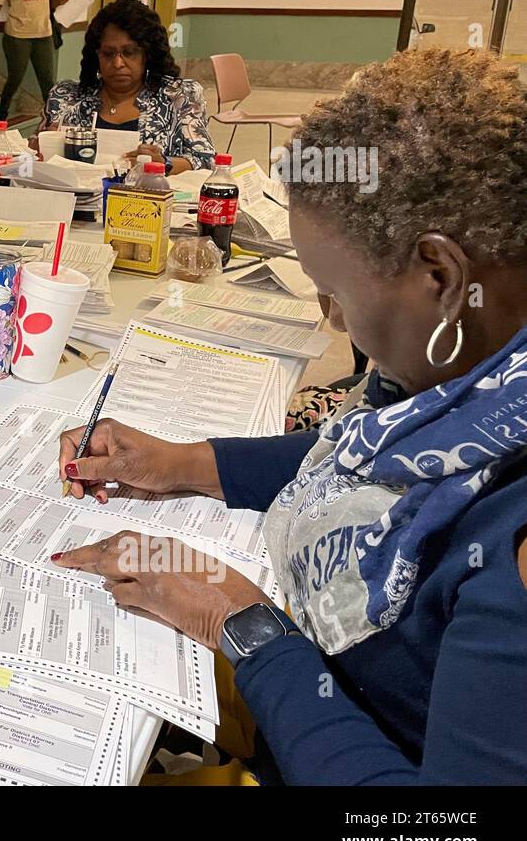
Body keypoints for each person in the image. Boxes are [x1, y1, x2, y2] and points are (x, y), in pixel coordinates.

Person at [56, 48, 527, 785]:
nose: (327, 315)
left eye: (332, 290)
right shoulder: (476, 380)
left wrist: (241, 624)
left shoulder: (512, 548)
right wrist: (180, 463)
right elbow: (354, 459)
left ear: (441, 276)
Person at [43, 0, 213, 174]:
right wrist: (44, 144)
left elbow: (206, 160)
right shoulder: (65, 97)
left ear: (147, 54)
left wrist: (162, 163)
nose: (118, 63)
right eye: (108, 54)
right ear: (96, 56)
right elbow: (31, 155)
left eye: (129, 53)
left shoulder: (179, 96)